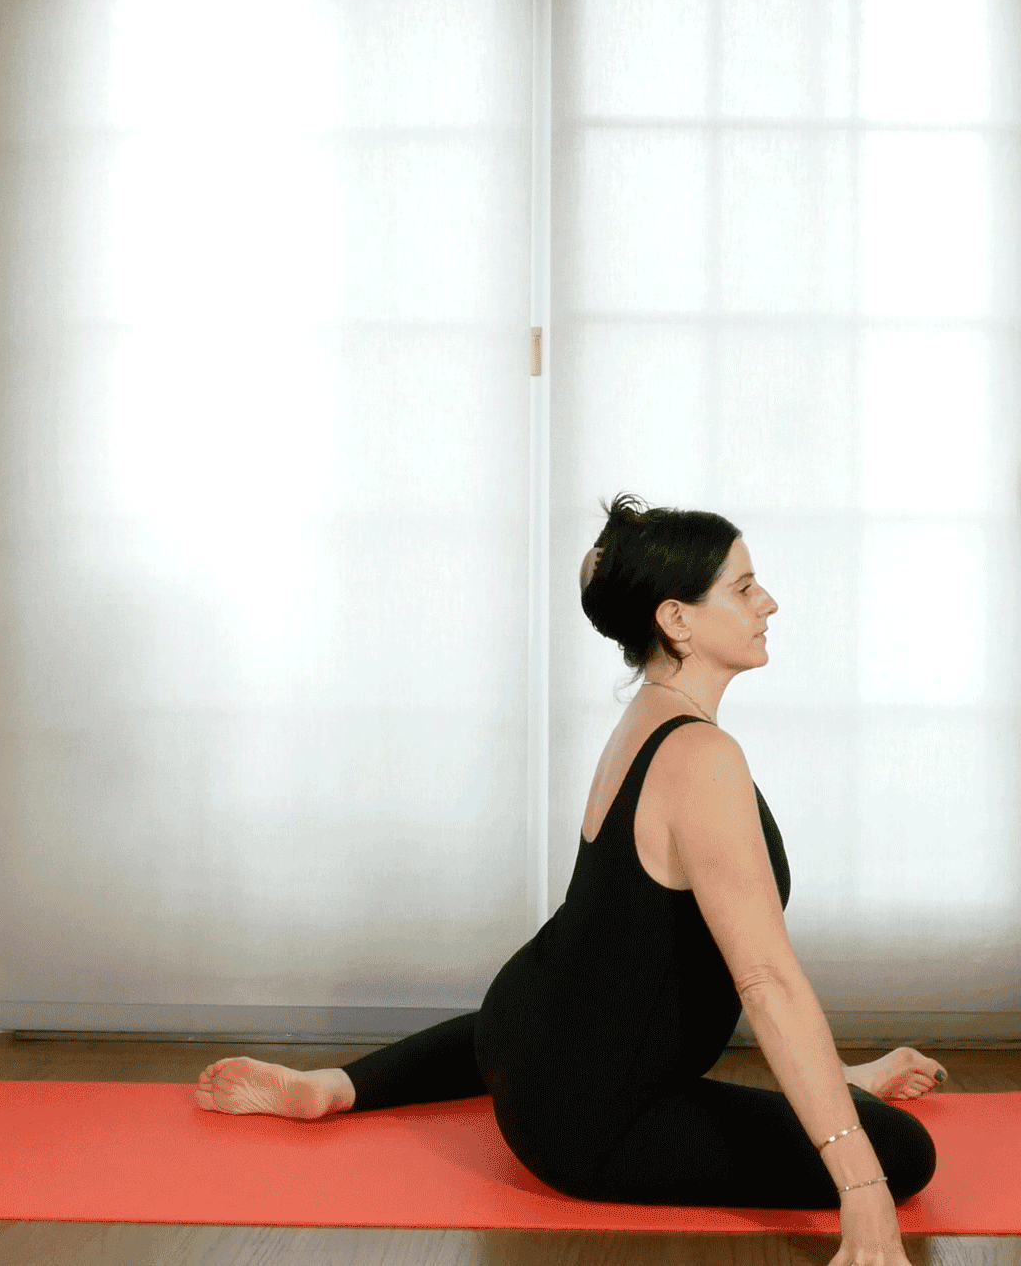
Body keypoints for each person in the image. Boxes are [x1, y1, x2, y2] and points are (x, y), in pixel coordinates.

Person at [196, 493, 943, 1265]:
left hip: (516, 1028)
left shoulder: (646, 718)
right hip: (589, 1125)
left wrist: (837, 1077)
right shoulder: (703, 759)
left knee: (573, 1012)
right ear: (677, 619)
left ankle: (335, 1087)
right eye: (744, 588)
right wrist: (862, 1189)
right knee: (902, 1152)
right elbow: (765, 982)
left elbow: (642, 948)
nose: (769, 603)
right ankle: (344, 1089)